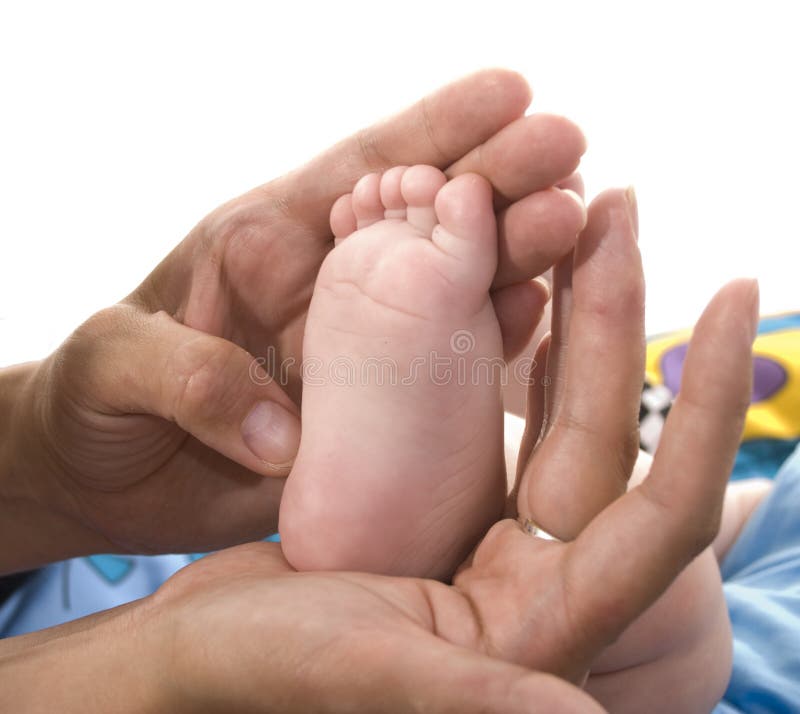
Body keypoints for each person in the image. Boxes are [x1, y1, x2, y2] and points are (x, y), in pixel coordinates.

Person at [0, 70, 757, 712]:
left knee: (588, 512)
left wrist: (38, 468)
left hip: (125, 595)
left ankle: (466, 439)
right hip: (244, 630)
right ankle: (490, 462)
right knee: (642, 576)